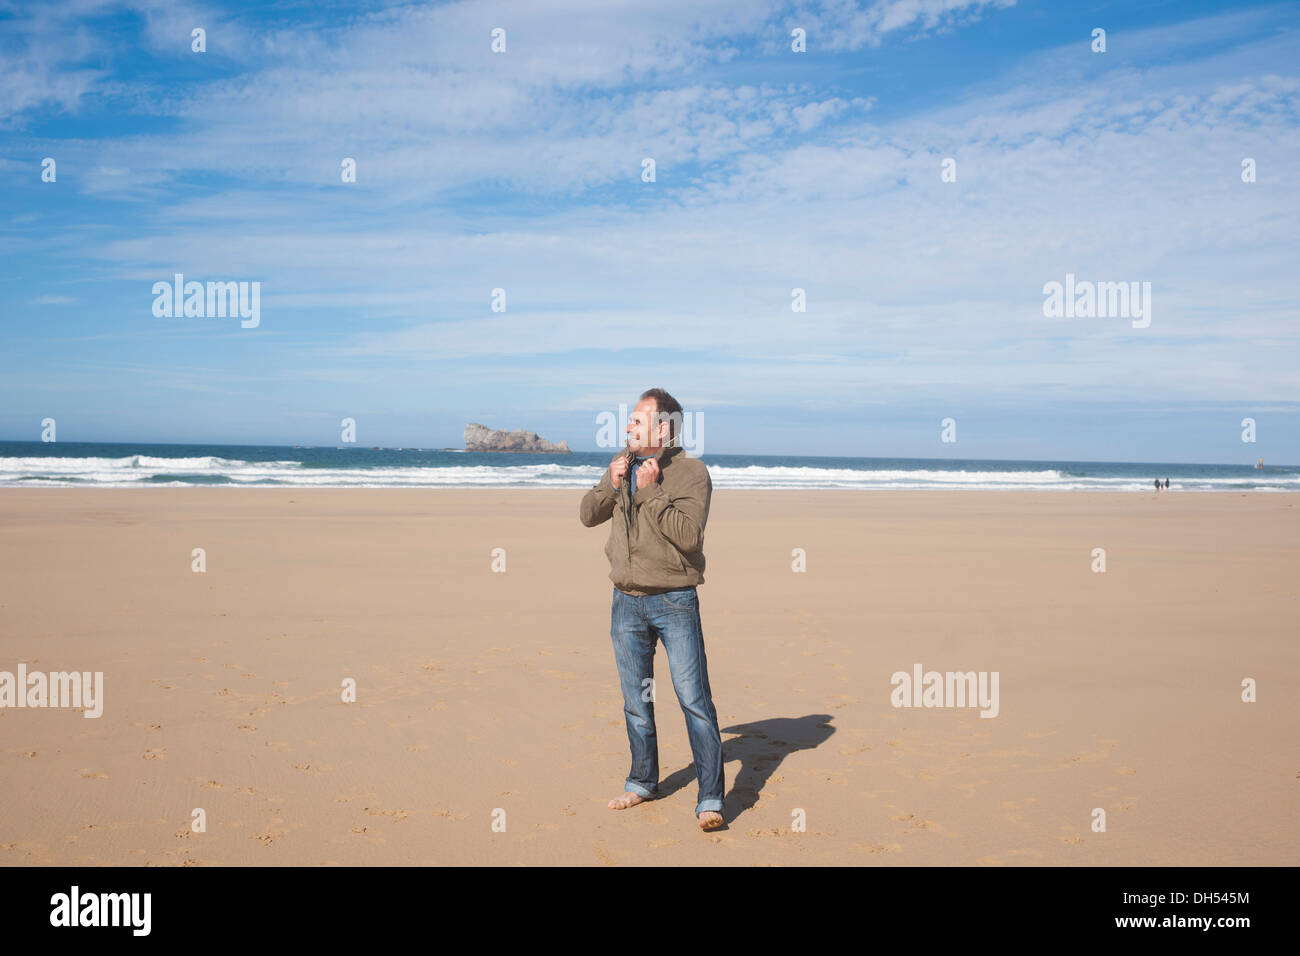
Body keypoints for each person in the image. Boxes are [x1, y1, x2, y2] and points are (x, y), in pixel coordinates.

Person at [579, 388, 724, 831]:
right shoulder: (622, 465)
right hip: (625, 603)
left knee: (693, 700)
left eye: (636, 422)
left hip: (674, 602)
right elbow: (587, 515)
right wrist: (610, 480)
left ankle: (710, 797)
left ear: (663, 429)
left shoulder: (692, 473)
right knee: (635, 702)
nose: (627, 429)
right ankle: (643, 782)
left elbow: (688, 537)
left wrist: (652, 492)